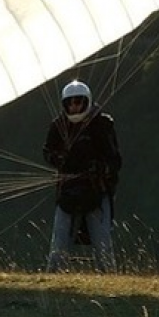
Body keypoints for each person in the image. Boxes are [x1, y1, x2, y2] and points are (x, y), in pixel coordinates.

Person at [43, 80, 122, 272]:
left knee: (101, 242)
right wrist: (59, 158)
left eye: (78, 102)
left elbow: (114, 160)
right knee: (60, 241)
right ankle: (53, 278)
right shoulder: (58, 126)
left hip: (95, 191)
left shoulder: (101, 124)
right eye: (70, 103)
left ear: (86, 102)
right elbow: (48, 152)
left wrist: (100, 168)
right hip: (69, 192)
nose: (74, 106)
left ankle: (108, 279)